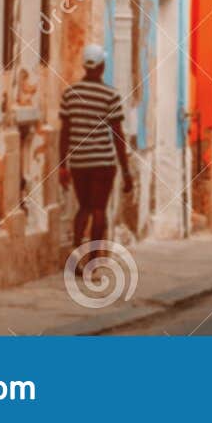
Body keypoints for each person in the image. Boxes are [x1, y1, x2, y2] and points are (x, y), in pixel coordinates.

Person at [59, 44, 134, 276]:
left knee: (83, 208)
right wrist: (126, 170)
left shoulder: (69, 94)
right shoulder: (110, 95)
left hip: (79, 161)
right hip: (103, 162)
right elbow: (117, 134)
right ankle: (93, 261)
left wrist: (63, 164)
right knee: (99, 209)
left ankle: (76, 257)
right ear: (102, 66)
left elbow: (65, 132)